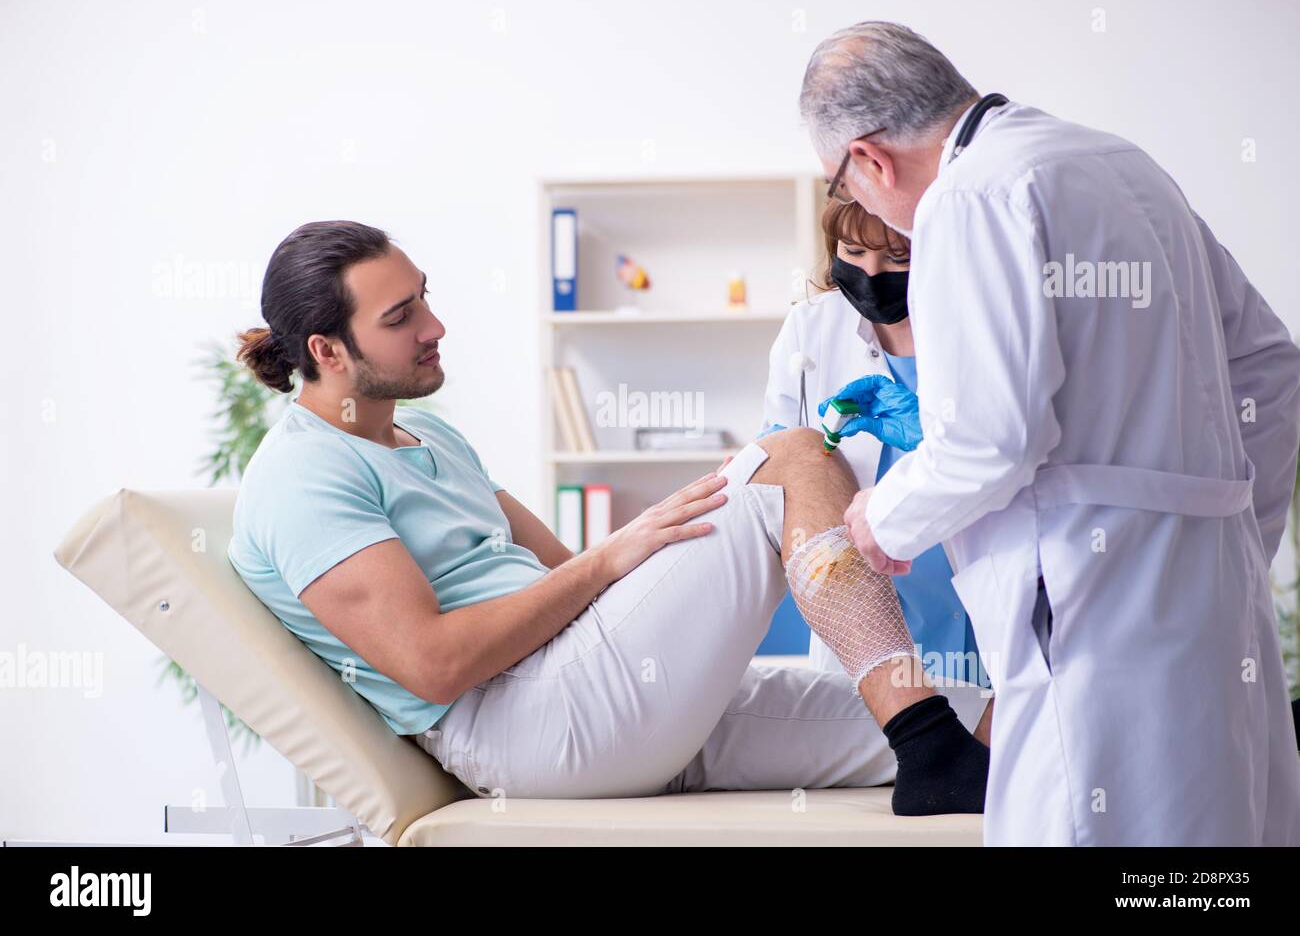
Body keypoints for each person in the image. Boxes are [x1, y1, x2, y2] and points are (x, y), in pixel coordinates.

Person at [226, 220, 992, 814]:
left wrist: (632, 564)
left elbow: (567, 575)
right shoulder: (303, 476)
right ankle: (925, 745)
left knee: (987, 723)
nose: (435, 325)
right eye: (402, 316)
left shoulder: (427, 435)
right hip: (532, 726)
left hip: (597, 686)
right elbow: (435, 663)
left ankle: (936, 744)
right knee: (790, 457)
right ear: (326, 350)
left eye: (424, 295)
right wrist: (616, 555)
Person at [799, 20, 1300, 845]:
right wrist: (1234, 529)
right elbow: (1271, 369)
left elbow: (991, 437)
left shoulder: (968, 198)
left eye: (842, 184)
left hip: (1088, 604)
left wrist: (882, 519)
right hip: (1214, 607)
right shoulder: (1120, 163)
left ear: (869, 159)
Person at [761, 201, 989, 706]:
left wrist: (933, 439)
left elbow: (1006, 450)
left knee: (989, 743)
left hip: (974, 586)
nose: (869, 273)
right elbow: (774, 469)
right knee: (886, 750)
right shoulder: (810, 329)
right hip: (865, 598)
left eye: (896, 257)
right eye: (853, 251)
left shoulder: (978, 326)